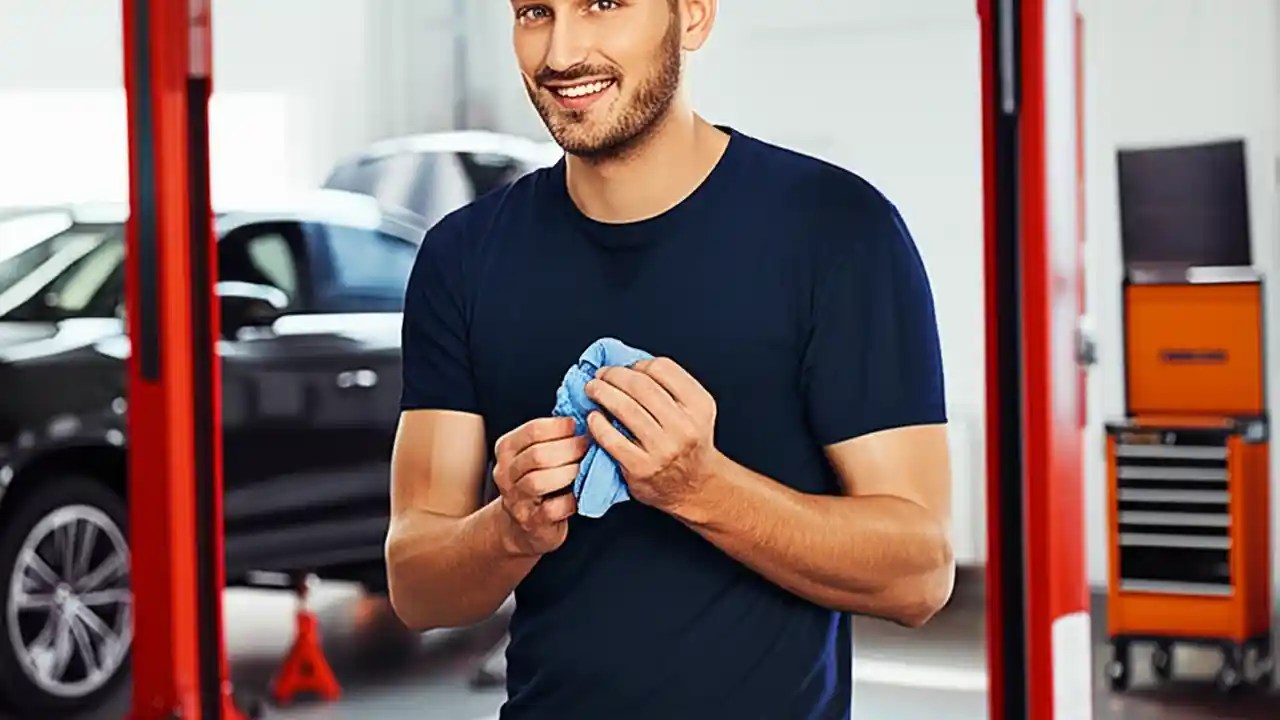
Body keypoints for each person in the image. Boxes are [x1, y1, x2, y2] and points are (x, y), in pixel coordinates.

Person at [384, 0, 955, 718]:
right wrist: (509, 529)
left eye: (602, 5)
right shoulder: (462, 258)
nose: (561, 52)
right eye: (535, 12)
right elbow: (415, 584)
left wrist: (701, 489)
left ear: (693, 17)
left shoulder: (836, 232)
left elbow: (919, 576)